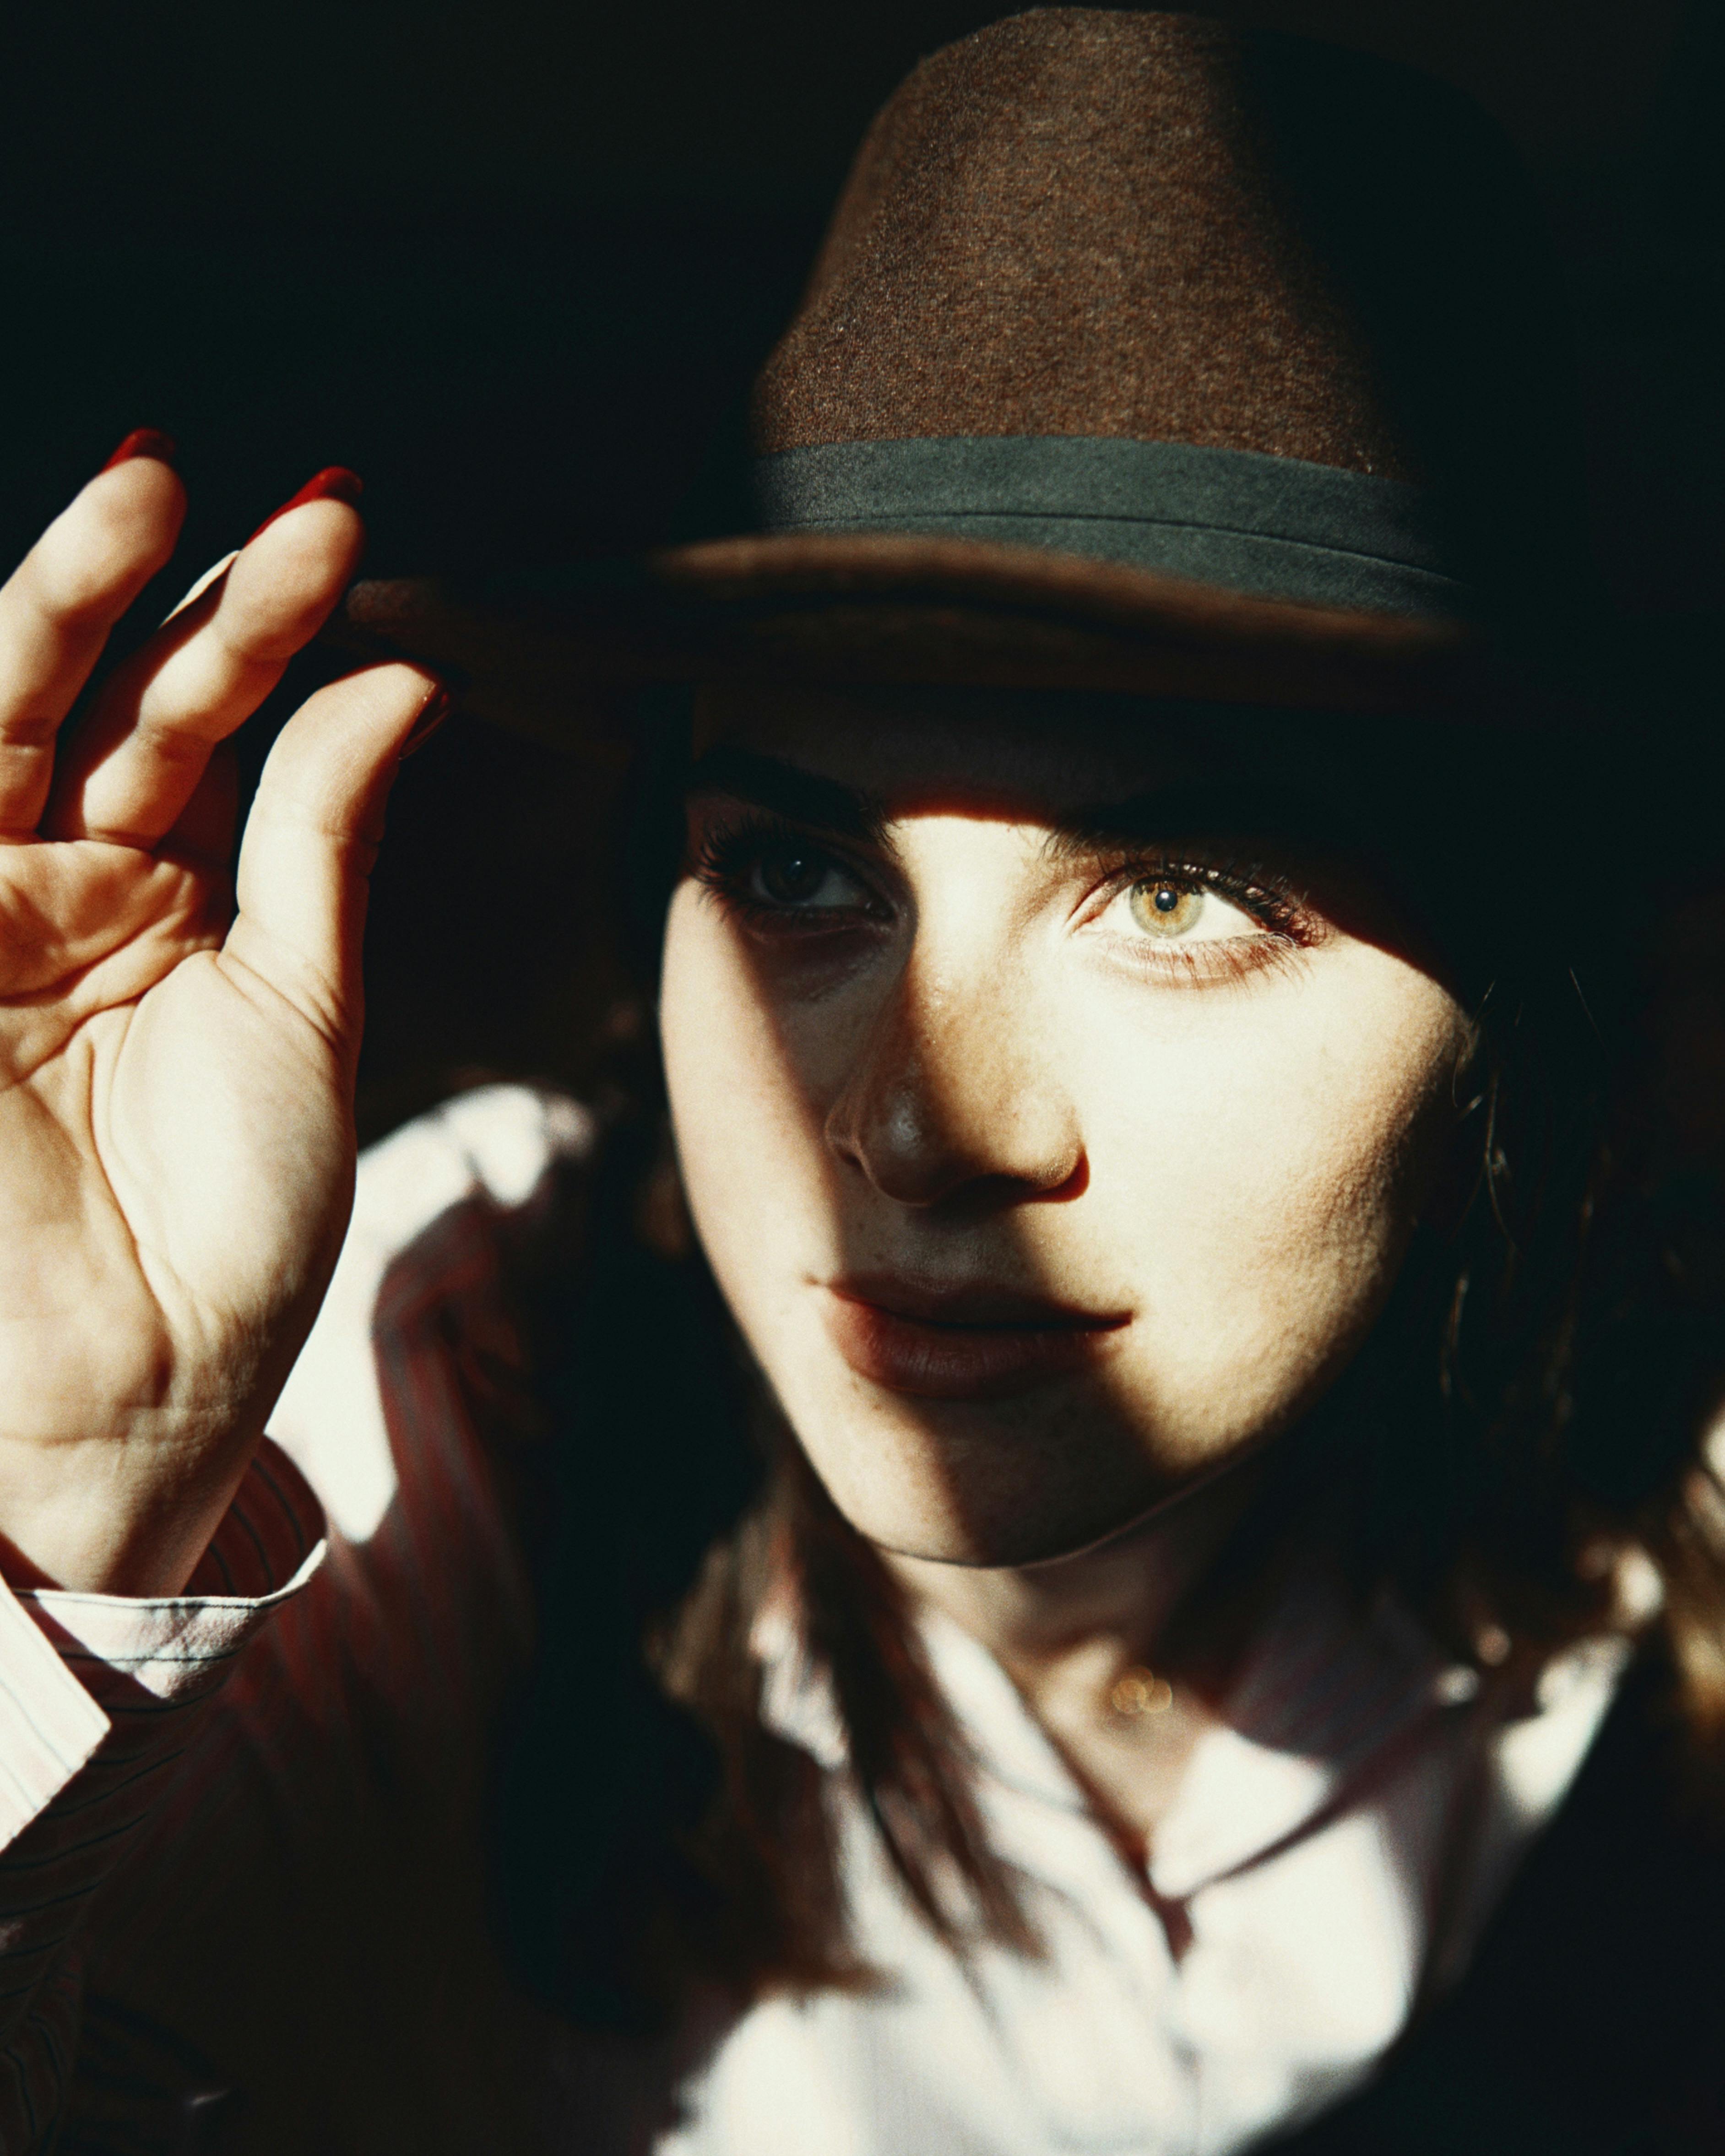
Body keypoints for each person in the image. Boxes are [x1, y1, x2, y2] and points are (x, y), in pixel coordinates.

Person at [0, 10, 1719, 2152]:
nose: (919, 1127)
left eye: (1181, 888)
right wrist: (73, 1513)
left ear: (1519, 1027)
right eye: (802, 868)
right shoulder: (425, 1383)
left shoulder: (1660, 1501)